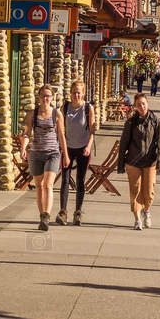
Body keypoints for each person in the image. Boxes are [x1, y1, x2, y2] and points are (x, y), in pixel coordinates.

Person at [19, 84, 69, 231]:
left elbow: (61, 135)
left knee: (48, 184)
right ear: (39, 97)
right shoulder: (32, 114)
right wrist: (23, 148)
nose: (45, 99)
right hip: (36, 153)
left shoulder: (57, 114)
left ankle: (46, 214)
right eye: (43, 96)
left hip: (52, 153)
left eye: (48, 96)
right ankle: (42, 217)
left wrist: (65, 154)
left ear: (52, 97)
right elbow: (27, 133)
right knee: (39, 186)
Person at [117, 90, 160, 229]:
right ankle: (137, 219)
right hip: (133, 161)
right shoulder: (131, 122)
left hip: (150, 162)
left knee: (149, 192)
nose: (141, 107)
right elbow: (124, 142)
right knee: (135, 190)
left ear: (147, 104)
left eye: (143, 104)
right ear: (135, 106)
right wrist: (120, 163)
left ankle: (146, 211)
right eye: (138, 104)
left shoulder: (155, 120)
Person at [56, 79, 96, 225]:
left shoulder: (88, 108)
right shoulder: (65, 108)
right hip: (68, 147)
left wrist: (88, 146)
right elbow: (60, 130)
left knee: (80, 180)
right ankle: (63, 212)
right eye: (74, 93)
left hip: (83, 148)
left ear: (83, 93)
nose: (76, 95)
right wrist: (64, 151)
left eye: (79, 93)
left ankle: (78, 212)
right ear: (70, 93)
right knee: (65, 180)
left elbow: (92, 130)